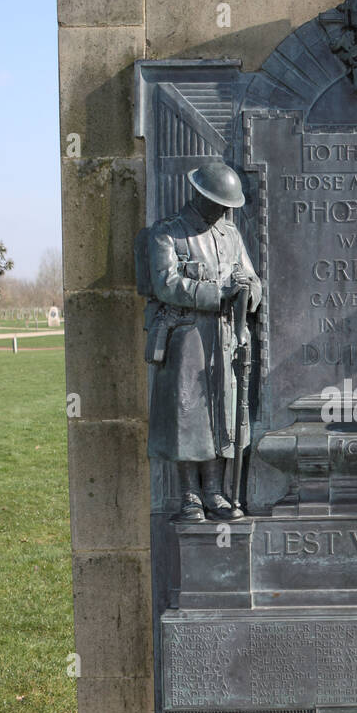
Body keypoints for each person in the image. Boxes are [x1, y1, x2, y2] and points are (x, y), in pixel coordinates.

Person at [142, 159, 262, 523]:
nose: (224, 211)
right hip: (187, 337)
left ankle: (214, 490)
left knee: (220, 414)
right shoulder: (168, 233)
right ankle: (189, 495)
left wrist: (248, 292)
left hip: (225, 339)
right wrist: (217, 292)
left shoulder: (230, 236)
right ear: (201, 196)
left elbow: (252, 280)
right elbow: (166, 283)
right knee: (188, 414)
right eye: (219, 203)